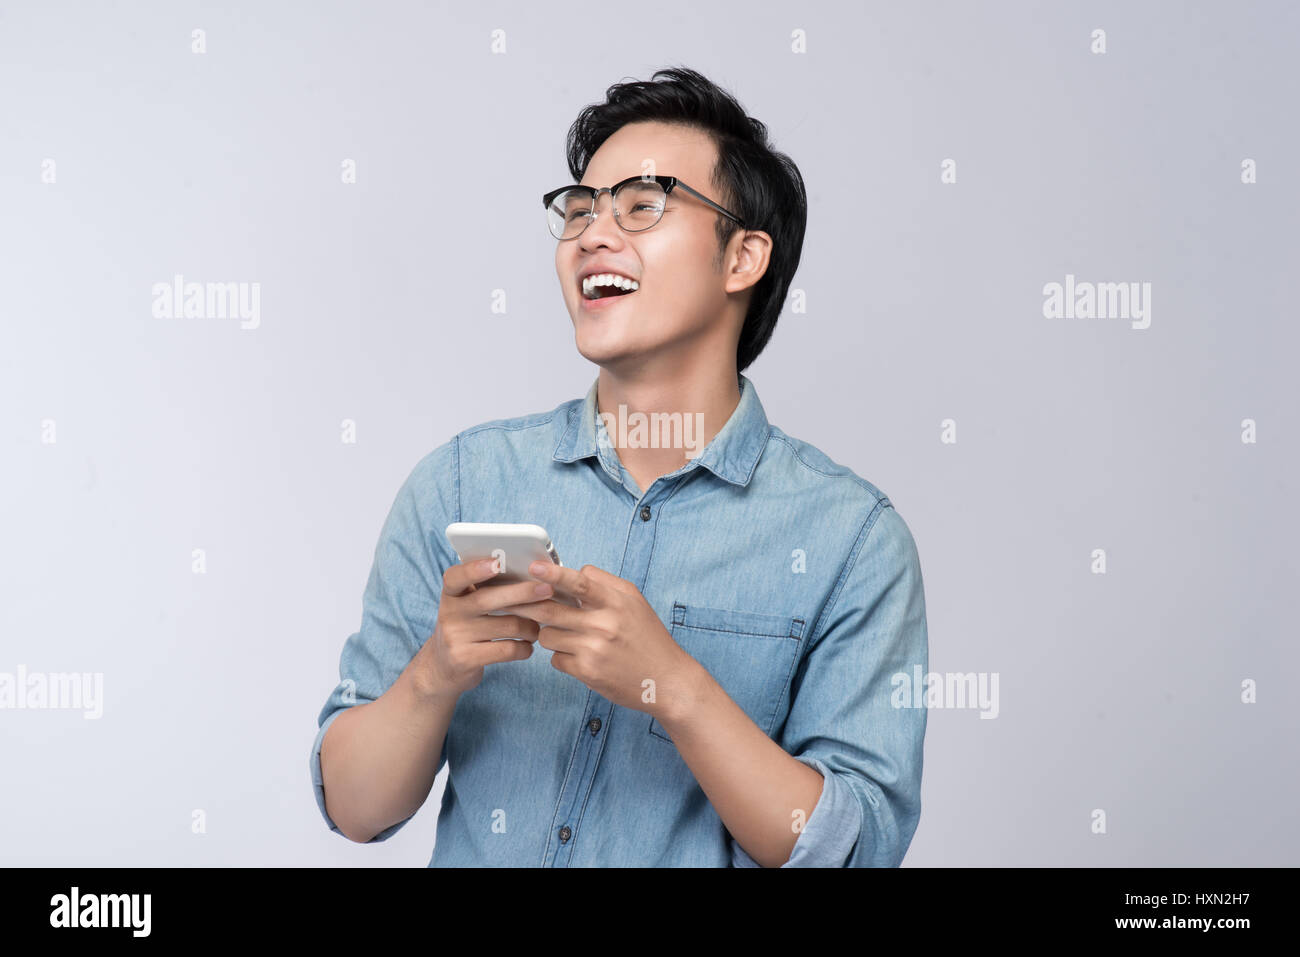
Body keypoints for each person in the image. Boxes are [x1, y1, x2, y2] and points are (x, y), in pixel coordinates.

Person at [309, 65, 929, 867]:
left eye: (642, 205)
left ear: (743, 258)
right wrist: (436, 672)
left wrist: (674, 685)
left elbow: (856, 850)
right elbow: (354, 809)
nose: (592, 234)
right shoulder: (461, 482)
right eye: (579, 209)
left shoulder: (853, 538)